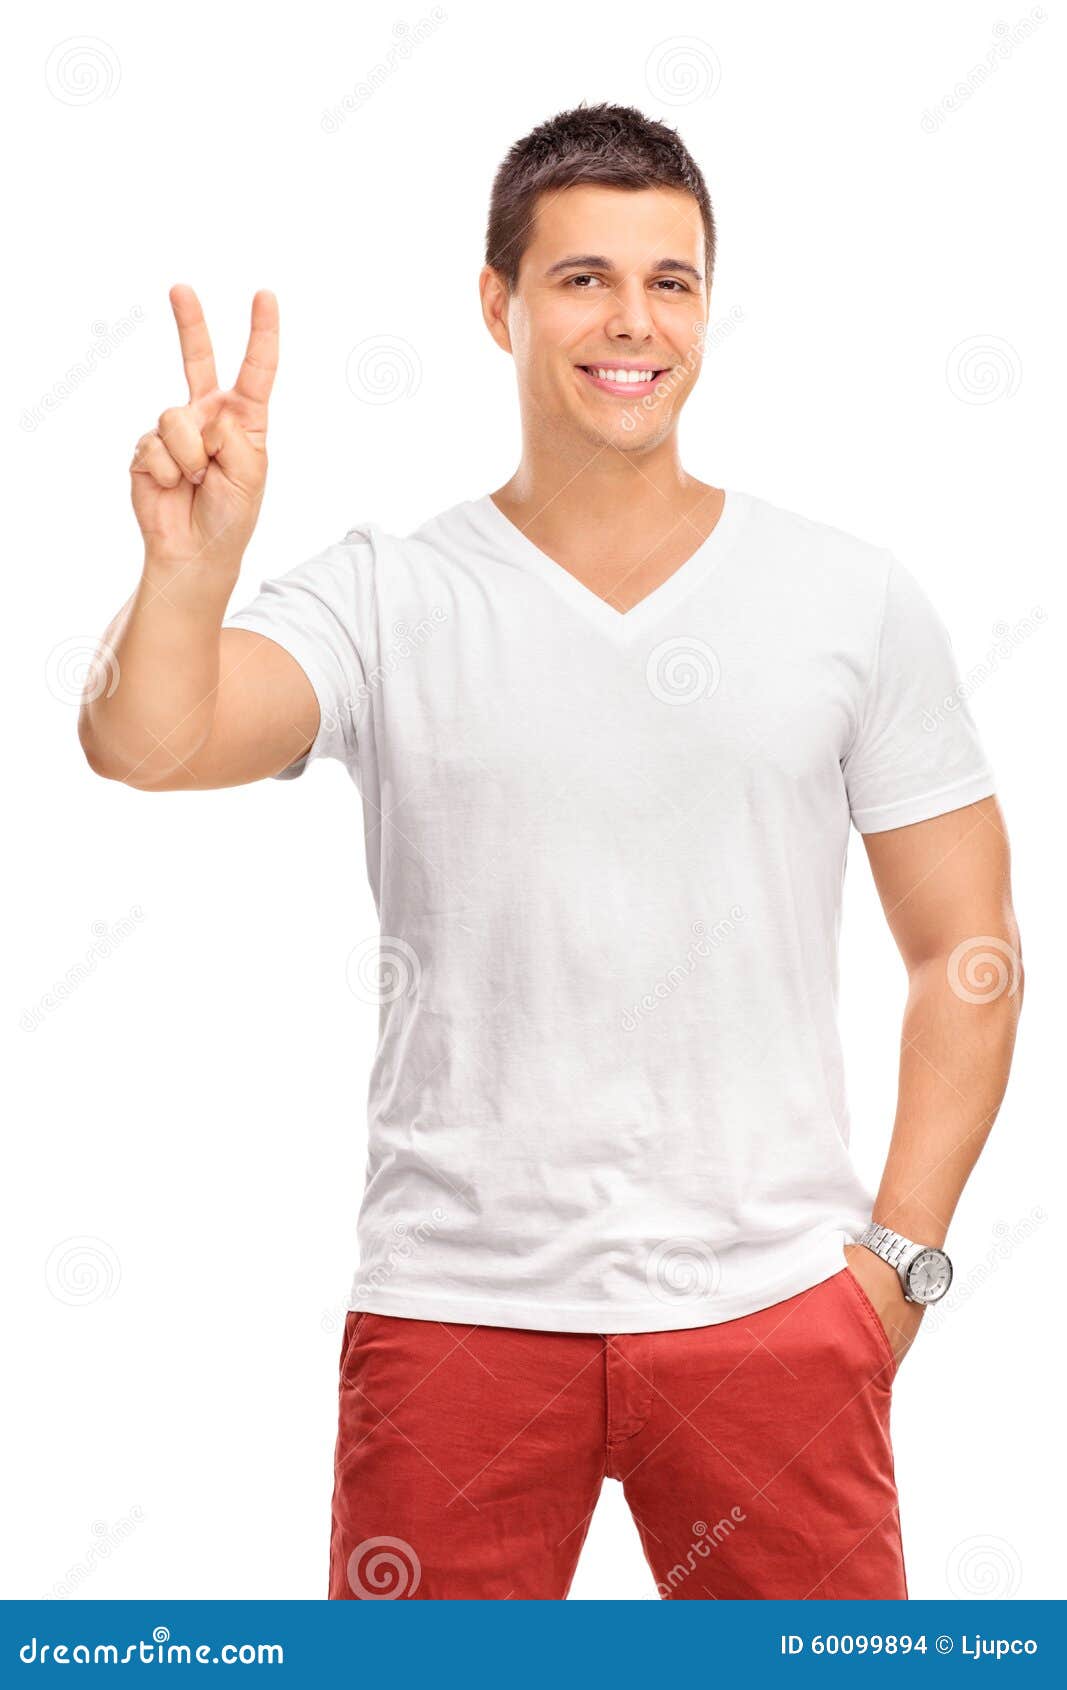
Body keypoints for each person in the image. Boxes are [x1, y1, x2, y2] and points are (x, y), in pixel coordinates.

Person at [79, 103, 1022, 1601]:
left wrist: (896, 1270)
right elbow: (147, 741)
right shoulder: (390, 596)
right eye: (583, 278)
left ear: (709, 304)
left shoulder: (848, 596)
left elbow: (967, 956)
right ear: (498, 303)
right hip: (453, 1313)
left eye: (672, 279)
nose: (631, 320)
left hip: (774, 1309)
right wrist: (185, 575)